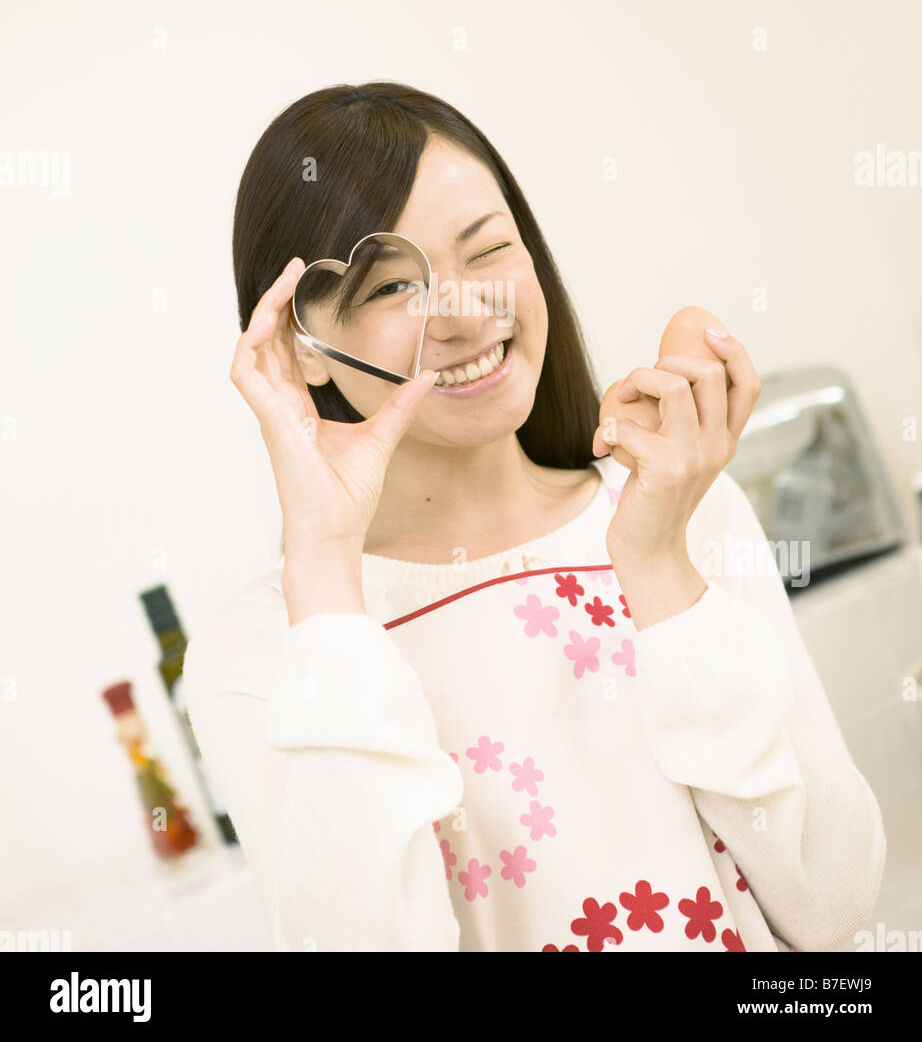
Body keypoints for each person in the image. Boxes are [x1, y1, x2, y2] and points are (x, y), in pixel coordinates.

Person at [182, 81, 885, 952]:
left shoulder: (683, 515)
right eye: (396, 285)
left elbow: (836, 906)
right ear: (299, 347)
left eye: (489, 251)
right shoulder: (267, 648)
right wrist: (324, 568)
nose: (466, 312)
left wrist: (661, 566)